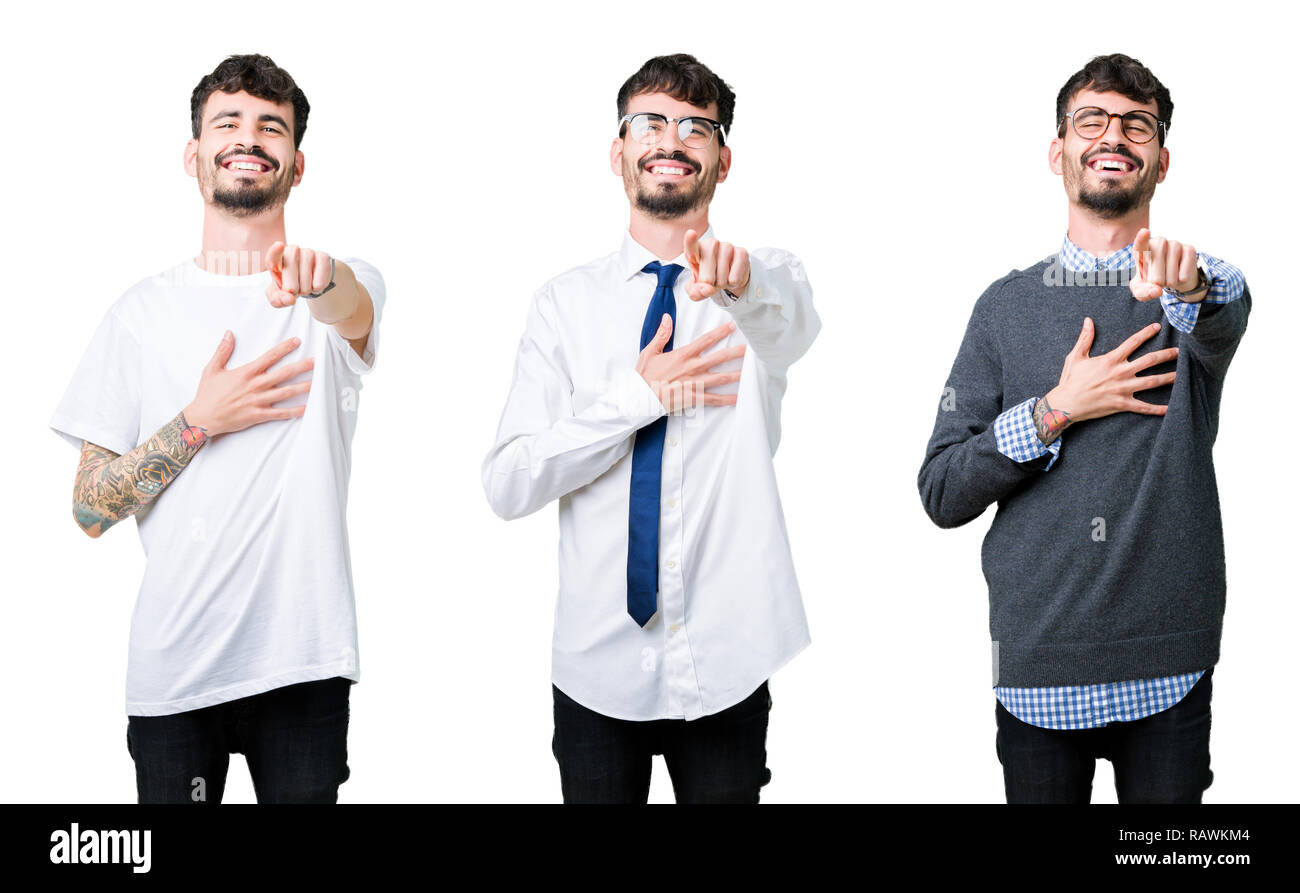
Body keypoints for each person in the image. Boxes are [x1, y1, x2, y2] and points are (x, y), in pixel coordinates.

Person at [482, 53, 820, 803]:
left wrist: (741, 283)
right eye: (651, 123)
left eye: (696, 127)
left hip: (729, 659)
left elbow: (791, 324)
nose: (672, 141)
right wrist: (637, 397)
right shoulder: (562, 305)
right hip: (597, 671)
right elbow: (507, 482)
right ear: (618, 151)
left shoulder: (766, 283)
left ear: (722, 159)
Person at [49, 54, 385, 804]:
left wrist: (319, 278)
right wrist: (199, 421)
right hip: (175, 671)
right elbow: (89, 509)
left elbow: (353, 311)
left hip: (302, 662)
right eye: (226, 123)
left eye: (272, 127)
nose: (250, 138)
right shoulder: (138, 315)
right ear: (194, 154)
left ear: (297, 166)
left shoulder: (335, 285)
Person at [919, 53, 1249, 804]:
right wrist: (1055, 410)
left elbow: (1223, 299)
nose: (1114, 136)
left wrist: (1187, 284)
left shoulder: (1189, 295)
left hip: (1169, 666)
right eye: (1092, 120)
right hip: (1040, 667)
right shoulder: (1004, 306)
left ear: (1161, 161)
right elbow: (941, 490)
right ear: (1058, 150)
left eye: (1138, 124)